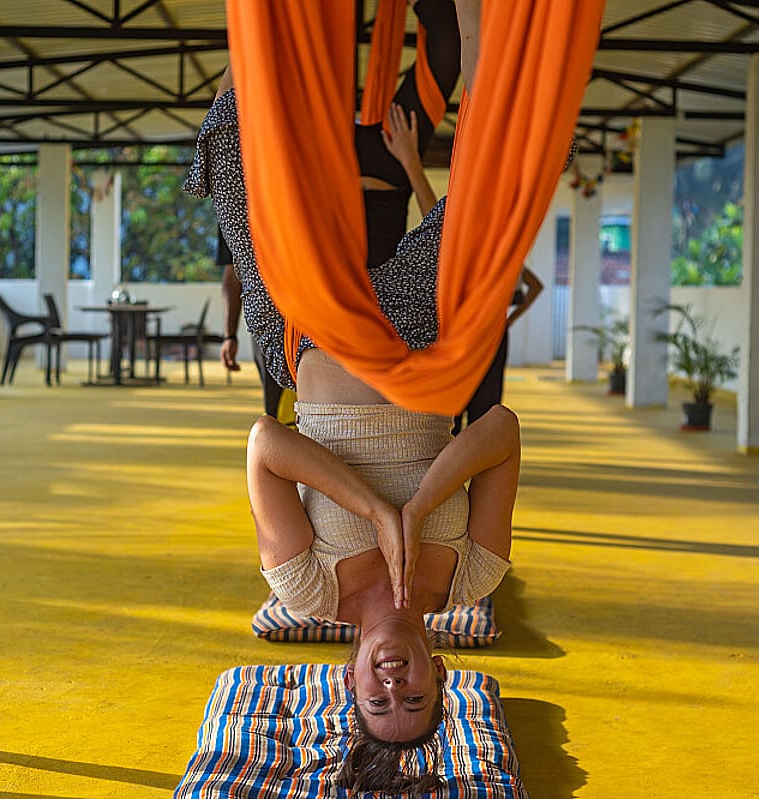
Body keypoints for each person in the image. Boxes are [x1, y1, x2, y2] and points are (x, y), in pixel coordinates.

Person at [185, 1, 517, 792]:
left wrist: (373, 508)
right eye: (415, 698)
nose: (394, 683)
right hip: (413, 330)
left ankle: (261, 19)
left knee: (232, 146)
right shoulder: (472, 575)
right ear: (442, 675)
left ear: (350, 681)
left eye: (378, 700)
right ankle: (478, 18)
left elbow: (266, 446)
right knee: (497, 184)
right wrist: (421, 503)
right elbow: (501, 428)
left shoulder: (306, 589)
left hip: (304, 325)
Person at [453, 266, 544, 433]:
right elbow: (536, 286)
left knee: (456, 396)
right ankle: (478, 444)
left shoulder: (461, 259)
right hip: (493, 331)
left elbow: (536, 286)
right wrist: (511, 319)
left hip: (463, 332)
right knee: (486, 398)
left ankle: (454, 442)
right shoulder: (503, 259)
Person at [217, 226, 290, 421]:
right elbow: (232, 272)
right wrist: (229, 336)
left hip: (303, 316)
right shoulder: (235, 210)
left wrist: (230, 336)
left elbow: (232, 274)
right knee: (279, 412)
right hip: (269, 321)